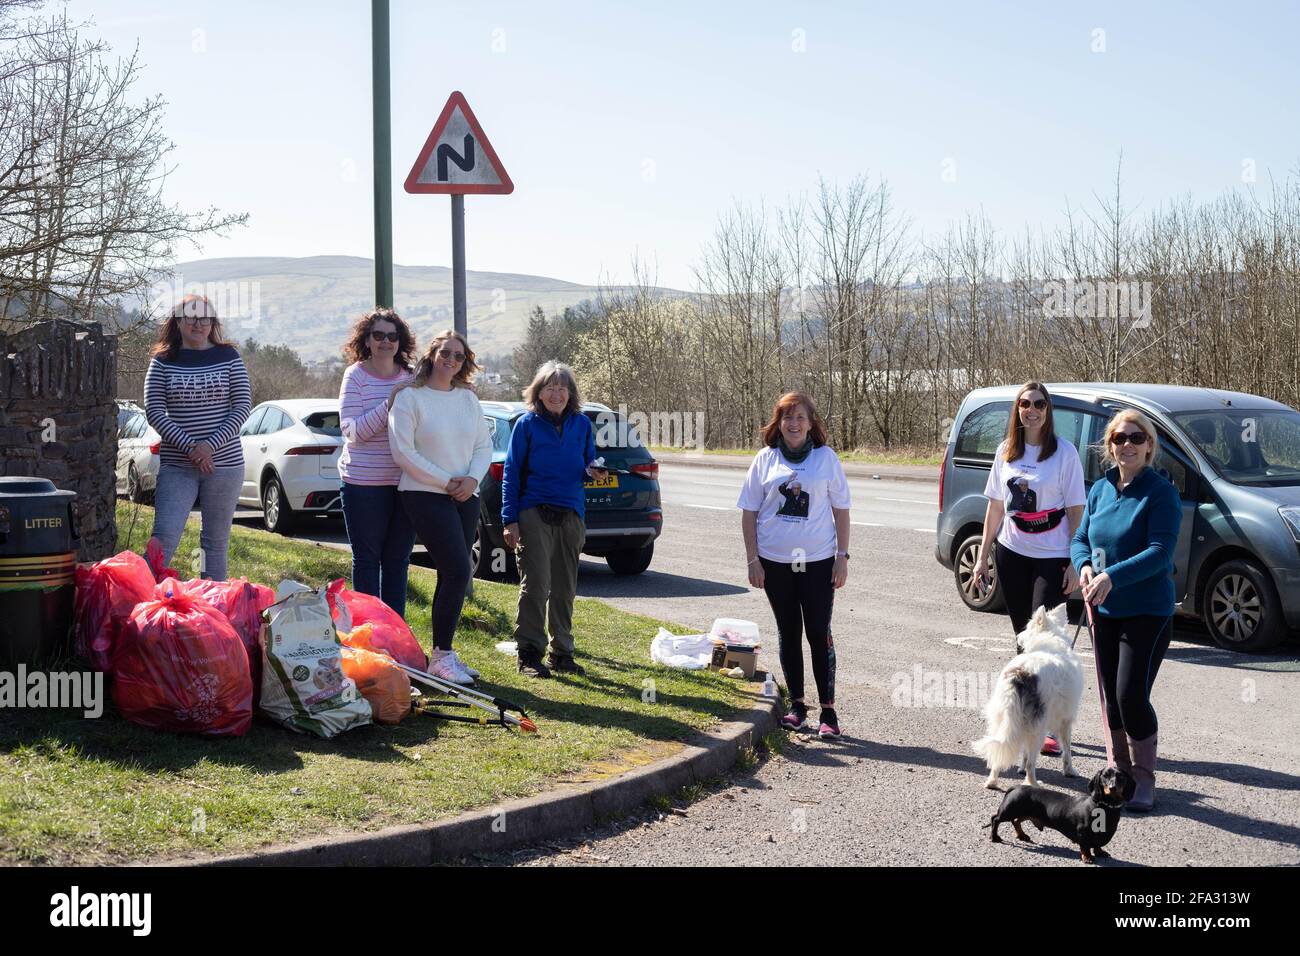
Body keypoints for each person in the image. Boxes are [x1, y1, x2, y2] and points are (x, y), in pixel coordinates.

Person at [1070, 409, 1181, 812]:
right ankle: (1118, 772)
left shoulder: (1160, 492)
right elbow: (1080, 537)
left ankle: (1144, 778)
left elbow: (1160, 553)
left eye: (1136, 438)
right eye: (1119, 438)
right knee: (1110, 700)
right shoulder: (1101, 488)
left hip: (1147, 612)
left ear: (1149, 445)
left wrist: (1111, 575)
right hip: (1105, 610)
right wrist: (1084, 565)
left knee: (1131, 696)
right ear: (1109, 445)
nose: (1127, 445)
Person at [973, 381, 1087, 756]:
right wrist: (983, 555)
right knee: (1023, 644)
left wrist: (1074, 560)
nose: (1032, 410)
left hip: (1052, 555)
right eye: (1025, 404)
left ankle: (1051, 726)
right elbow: (995, 507)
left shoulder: (1064, 454)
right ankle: (1023, 718)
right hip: (1012, 552)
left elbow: (1075, 512)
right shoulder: (1006, 451)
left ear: (1047, 409)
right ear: (1017, 410)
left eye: (1039, 403)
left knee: (1045, 644)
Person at [738, 392, 850, 739]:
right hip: (775, 563)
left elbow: (841, 511)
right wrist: (753, 559)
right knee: (789, 632)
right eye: (787, 417)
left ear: (811, 422)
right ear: (778, 423)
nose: (794, 423)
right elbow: (749, 512)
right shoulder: (765, 460)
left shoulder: (826, 459)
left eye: (801, 417)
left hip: (818, 562)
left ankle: (828, 712)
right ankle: (798, 707)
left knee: (818, 631)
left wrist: (841, 557)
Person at [387, 329, 492, 685]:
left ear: (465, 362)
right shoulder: (409, 398)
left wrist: (472, 480)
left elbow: (483, 446)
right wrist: (447, 481)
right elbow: (403, 453)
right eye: (445, 353)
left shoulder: (467, 399)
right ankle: (442, 657)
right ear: (432, 355)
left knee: (454, 575)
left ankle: (442, 655)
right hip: (424, 494)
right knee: (458, 570)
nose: (451, 360)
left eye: (458, 356)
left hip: (466, 494)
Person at [501, 361, 608, 678]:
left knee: (565, 588)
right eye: (550, 387)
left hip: (571, 512)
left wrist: (594, 471)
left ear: (571, 393)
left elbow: (588, 463)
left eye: (562, 388)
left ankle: (561, 653)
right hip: (533, 511)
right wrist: (510, 520)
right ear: (539, 392)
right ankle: (529, 654)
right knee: (536, 585)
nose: (556, 393)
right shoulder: (527, 425)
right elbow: (511, 473)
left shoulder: (582, 425)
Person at [143, 295, 251, 581]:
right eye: (190, 317)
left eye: (205, 317)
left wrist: (209, 447)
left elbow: (242, 407)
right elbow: (154, 412)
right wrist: (192, 448)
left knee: (214, 544)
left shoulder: (228, 356)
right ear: (177, 322)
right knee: (163, 540)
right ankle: (138, 607)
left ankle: (212, 611)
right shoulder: (163, 361)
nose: (198, 323)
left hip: (224, 466)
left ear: (212, 322)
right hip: (178, 467)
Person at [338, 307, 417, 616]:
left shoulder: (411, 377)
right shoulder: (355, 375)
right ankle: (368, 631)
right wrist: (390, 403)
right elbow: (352, 432)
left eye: (392, 336)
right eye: (378, 335)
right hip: (362, 485)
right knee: (368, 560)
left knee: (398, 561)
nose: (386, 342)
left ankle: (396, 634)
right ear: (367, 340)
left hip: (405, 483)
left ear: (400, 341)